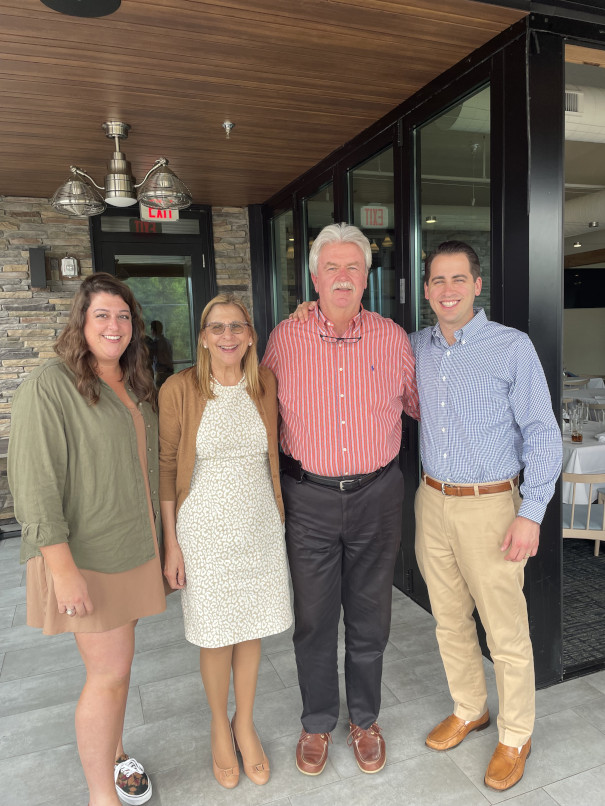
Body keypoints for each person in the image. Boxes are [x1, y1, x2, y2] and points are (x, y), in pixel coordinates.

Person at [262, 223, 419, 776]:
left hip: (378, 493)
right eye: (332, 267)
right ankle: (317, 721)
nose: (343, 277)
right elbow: (258, 410)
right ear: (314, 278)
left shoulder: (393, 339)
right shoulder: (284, 339)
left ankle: (366, 719)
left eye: (354, 267)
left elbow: (424, 406)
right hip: (309, 498)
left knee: (371, 616)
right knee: (314, 618)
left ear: (367, 277)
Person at [8, 273, 166, 806]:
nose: (113, 325)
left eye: (123, 316)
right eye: (102, 314)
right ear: (81, 320)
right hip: (87, 558)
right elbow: (34, 485)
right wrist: (63, 571)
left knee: (116, 667)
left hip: (134, 547)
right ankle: (103, 796)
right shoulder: (49, 385)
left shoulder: (136, 381)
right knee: (108, 674)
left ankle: (116, 753)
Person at [412, 241, 561, 791]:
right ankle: (470, 707)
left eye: (459, 279)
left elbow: (543, 432)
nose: (448, 289)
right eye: (438, 280)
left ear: (477, 285)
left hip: (492, 506)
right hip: (432, 501)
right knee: (449, 618)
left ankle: (516, 733)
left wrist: (531, 512)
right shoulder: (416, 347)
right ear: (426, 290)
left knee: (504, 630)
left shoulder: (511, 347)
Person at [158, 293, 292, 790]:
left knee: (251, 627)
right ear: (203, 337)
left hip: (259, 525)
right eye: (217, 327)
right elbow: (166, 468)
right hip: (204, 530)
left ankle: (245, 723)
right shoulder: (179, 389)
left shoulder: (265, 384)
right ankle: (219, 724)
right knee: (215, 634)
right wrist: (171, 544)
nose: (228, 335)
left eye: (237, 326)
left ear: (251, 336)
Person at [150, 320, 174, 389]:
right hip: (170, 372)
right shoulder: (167, 342)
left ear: (153, 330)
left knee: (160, 392)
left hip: (161, 373)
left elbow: (152, 357)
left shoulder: (155, 343)